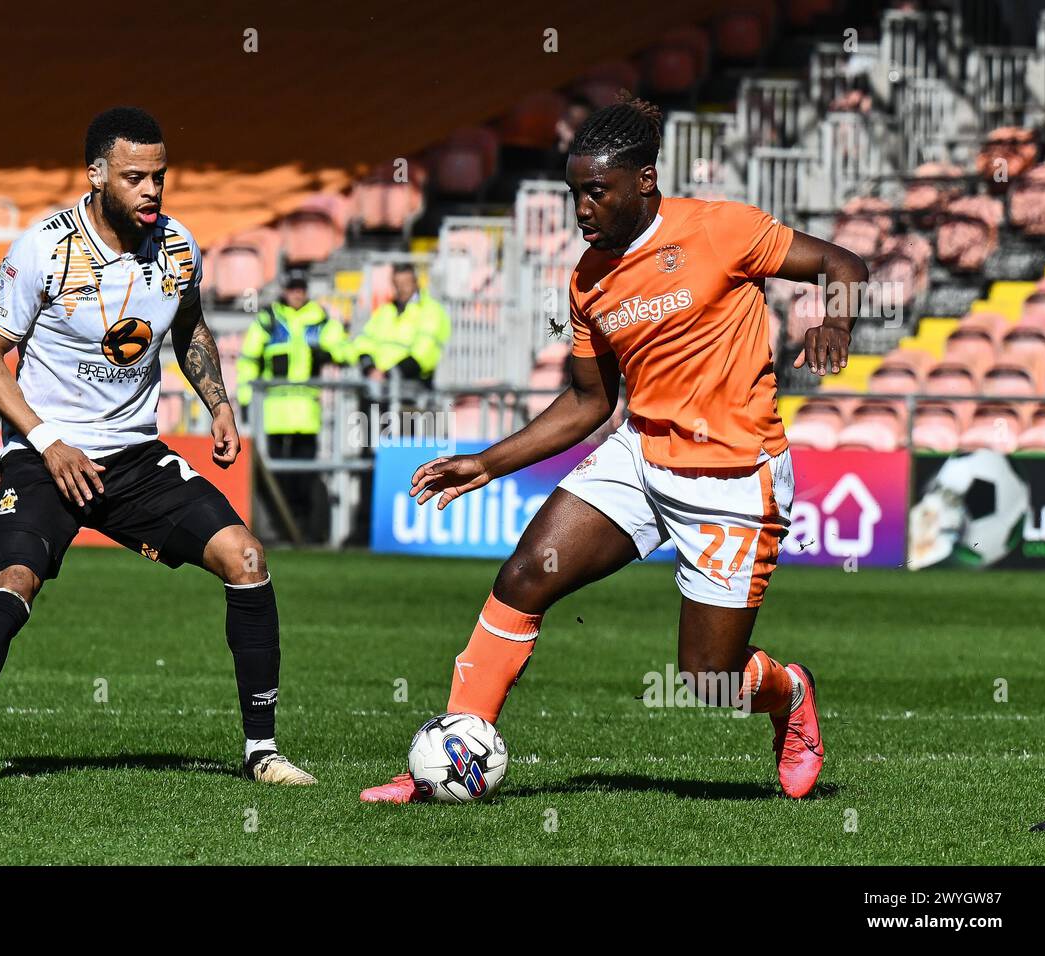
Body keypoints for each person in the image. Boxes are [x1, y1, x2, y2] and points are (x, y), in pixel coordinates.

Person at [361, 93, 867, 803]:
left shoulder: (724, 229)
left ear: (644, 182)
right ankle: (451, 757)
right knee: (522, 580)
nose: (583, 209)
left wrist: (835, 327)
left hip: (731, 477)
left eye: (596, 191)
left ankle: (790, 696)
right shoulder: (587, 279)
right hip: (641, 453)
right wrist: (485, 461)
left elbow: (844, 265)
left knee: (709, 678)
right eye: (575, 193)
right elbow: (588, 403)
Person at [0, 107, 315, 789]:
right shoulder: (43, 248)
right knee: (14, 580)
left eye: (160, 176)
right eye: (134, 177)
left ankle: (262, 751)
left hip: (133, 460)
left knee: (246, 558)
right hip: (45, 454)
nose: (151, 190)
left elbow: (191, 328)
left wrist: (218, 403)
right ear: (96, 176)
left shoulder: (179, 246)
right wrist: (47, 441)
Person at [236, 270, 349, 540]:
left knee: (303, 478)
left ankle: (302, 531)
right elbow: (248, 362)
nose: (297, 293)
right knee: (276, 479)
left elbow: (347, 350)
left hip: (307, 415)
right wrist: (244, 400)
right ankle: (279, 529)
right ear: (285, 290)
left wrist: (331, 352)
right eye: (293, 288)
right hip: (273, 416)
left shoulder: (321, 320)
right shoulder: (268, 321)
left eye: (301, 288)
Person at [353, 264, 450, 387]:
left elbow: (424, 352)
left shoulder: (430, 310)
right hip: (378, 386)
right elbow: (363, 342)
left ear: (415, 283)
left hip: (412, 387)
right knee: (371, 404)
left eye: (405, 283)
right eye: (397, 284)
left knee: (405, 406)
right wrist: (370, 368)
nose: (401, 289)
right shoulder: (385, 311)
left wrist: (390, 375)